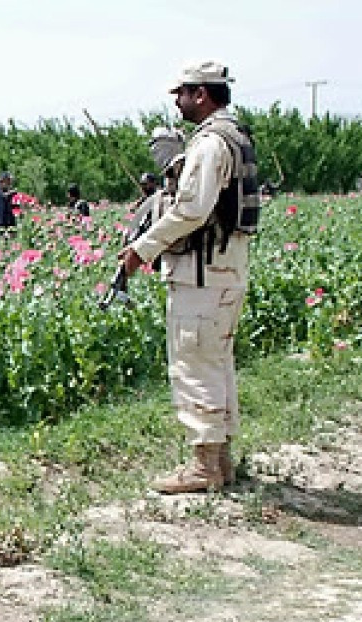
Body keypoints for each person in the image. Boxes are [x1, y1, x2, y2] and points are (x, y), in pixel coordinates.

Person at [118, 60, 258, 494]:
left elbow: (192, 209)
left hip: (202, 274)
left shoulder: (210, 143)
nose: (177, 102)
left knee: (194, 365)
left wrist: (142, 249)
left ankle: (203, 466)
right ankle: (221, 460)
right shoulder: (236, 136)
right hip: (226, 270)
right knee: (216, 363)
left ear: (201, 94)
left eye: (181, 93)